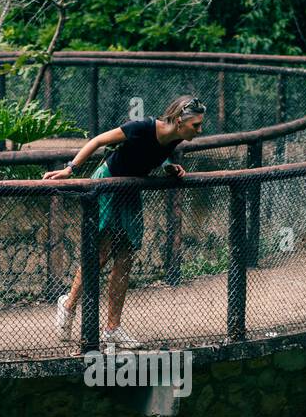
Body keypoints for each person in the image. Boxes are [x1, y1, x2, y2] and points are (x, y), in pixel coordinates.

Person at [44, 95, 207, 349]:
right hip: (109, 183)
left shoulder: (174, 139)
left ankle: (112, 329)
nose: (199, 130)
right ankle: (67, 305)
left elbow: (153, 155)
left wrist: (168, 167)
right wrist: (70, 169)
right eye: (196, 125)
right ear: (178, 121)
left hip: (130, 189)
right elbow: (98, 140)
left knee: (126, 258)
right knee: (100, 254)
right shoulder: (141, 127)